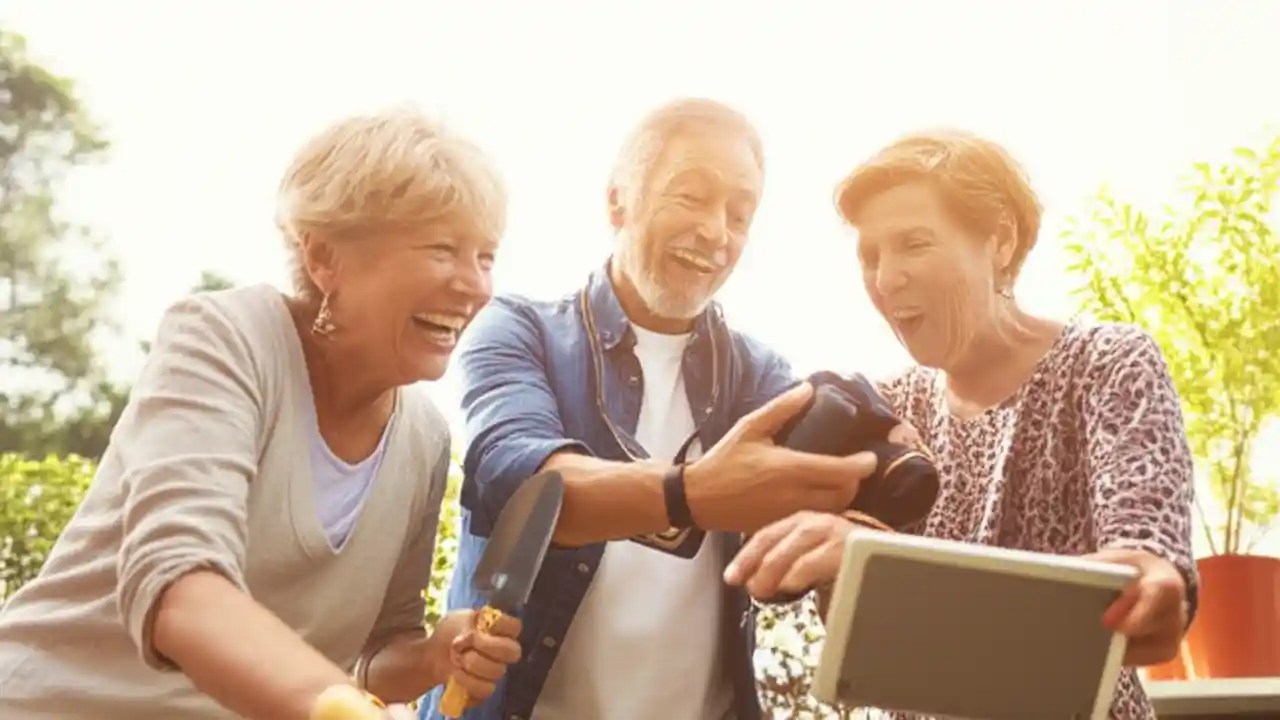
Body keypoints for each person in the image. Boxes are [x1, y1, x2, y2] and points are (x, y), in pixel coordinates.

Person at [0, 108, 522, 720]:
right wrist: (341, 710)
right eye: (442, 250)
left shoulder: (425, 438)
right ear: (325, 257)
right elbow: (181, 589)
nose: (475, 285)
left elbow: (370, 655)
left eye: (485, 257)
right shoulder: (225, 340)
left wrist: (434, 655)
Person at [416, 98, 880, 720]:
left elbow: (820, 523)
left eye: (739, 214)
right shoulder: (518, 330)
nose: (716, 231)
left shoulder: (760, 375)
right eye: (690, 196)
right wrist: (696, 492)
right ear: (618, 200)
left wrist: (857, 522)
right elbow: (529, 492)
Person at [725, 129, 1198, 720]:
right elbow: (868, 643)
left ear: (1000, 241)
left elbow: (1143, 569)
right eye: (870, 256)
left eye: (914, 244)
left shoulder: (1107, 364)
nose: (886, 277)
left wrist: (885, 569)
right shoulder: (892, 409)